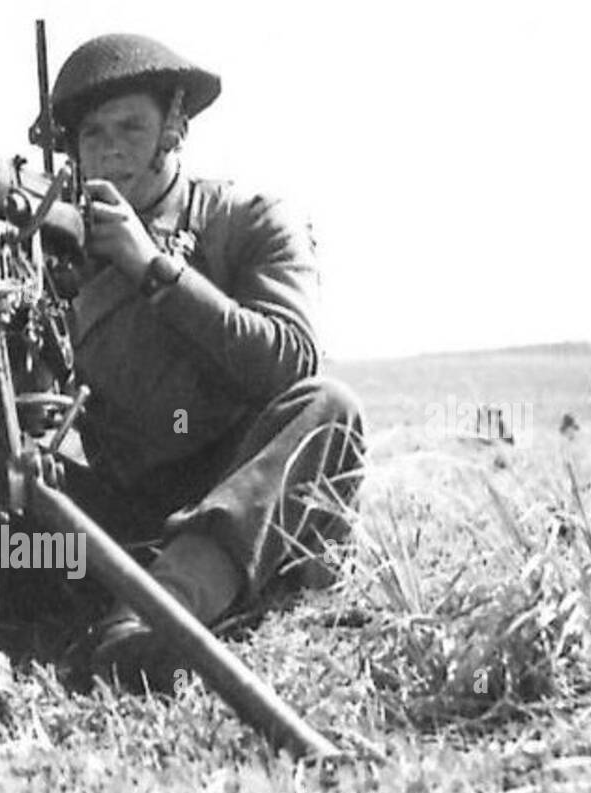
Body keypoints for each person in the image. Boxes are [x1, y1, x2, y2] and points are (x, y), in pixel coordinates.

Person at [25, 32, 366, 689]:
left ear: (175, 130)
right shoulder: (58, 257)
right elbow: (35, 413)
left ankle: (151, 626)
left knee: (330, 408)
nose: (111, 147)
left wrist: (154, 269)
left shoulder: (251, 220)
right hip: (125, 533)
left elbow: (293, 364)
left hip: (252, 520)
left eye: (132, 126)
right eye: (93, 132)